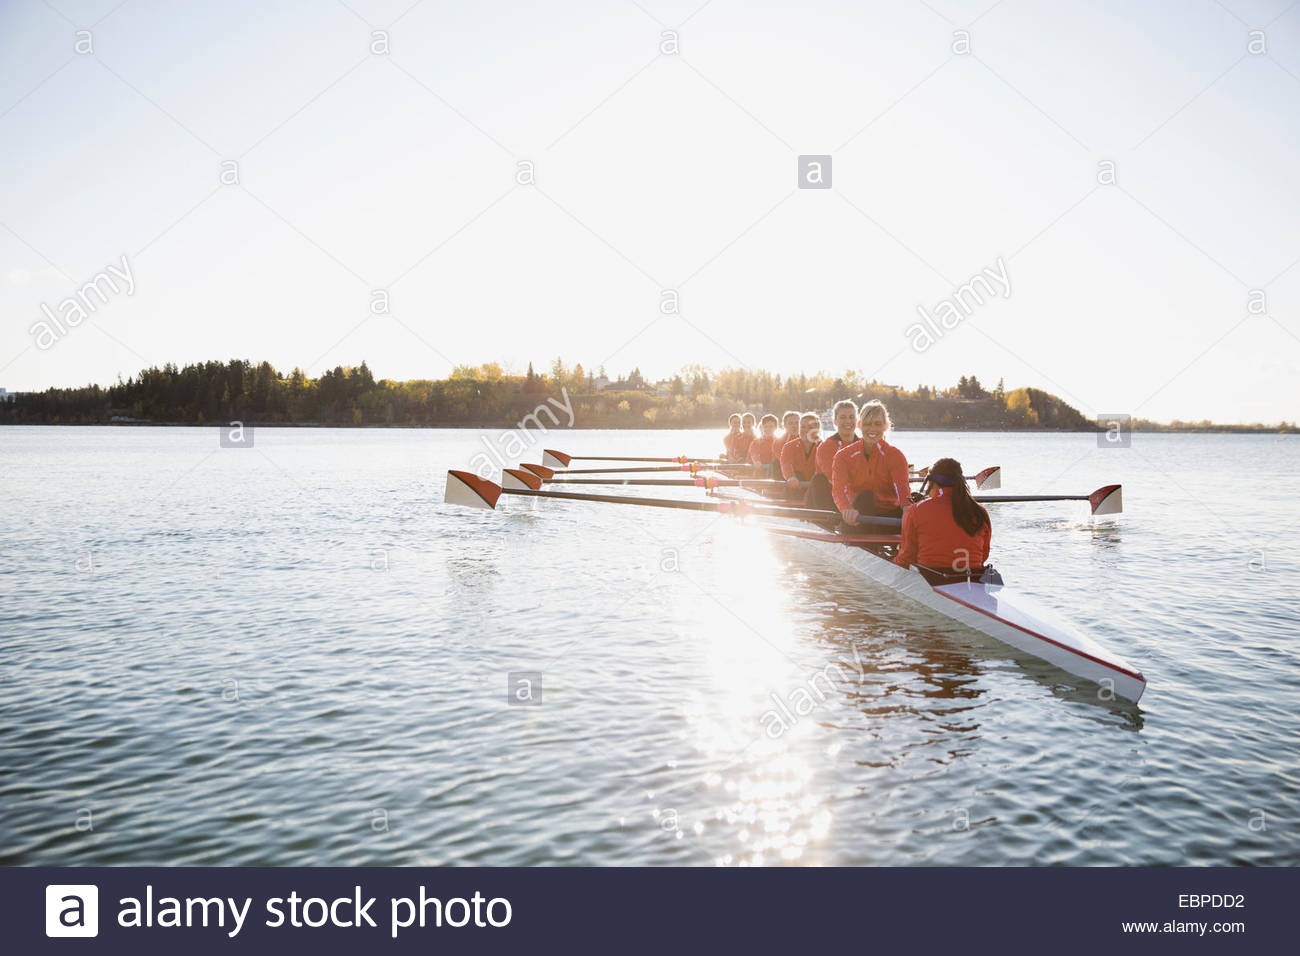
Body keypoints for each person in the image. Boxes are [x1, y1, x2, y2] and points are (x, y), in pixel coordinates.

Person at [895, 457, 991, 574]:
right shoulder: (981, 511)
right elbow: (984, 555)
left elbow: (906, 558)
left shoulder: (916, 510)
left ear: (932, 483)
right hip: (973, 576)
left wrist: (891, 564)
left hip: (931, 578)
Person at [831, 400, 912, 525]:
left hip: (889, 516)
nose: (872, 429)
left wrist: (907, 508)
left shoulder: (895, 456)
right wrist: (846, 508)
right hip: (858, 516)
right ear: (859, 424)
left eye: (878, 424)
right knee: (866, 497)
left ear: (886, 426)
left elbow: (902, 488)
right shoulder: (843, 456)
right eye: (867, 424)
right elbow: (838, 490)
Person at [806, 399, 857, 511]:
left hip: (856, 498)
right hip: (829, 500)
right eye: (843, 417)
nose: (848, 421)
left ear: (857, 420)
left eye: (851, 417)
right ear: (835, 421)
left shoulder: (865, 445)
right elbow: (836, 479)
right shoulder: (826, 447)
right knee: (819, 479)